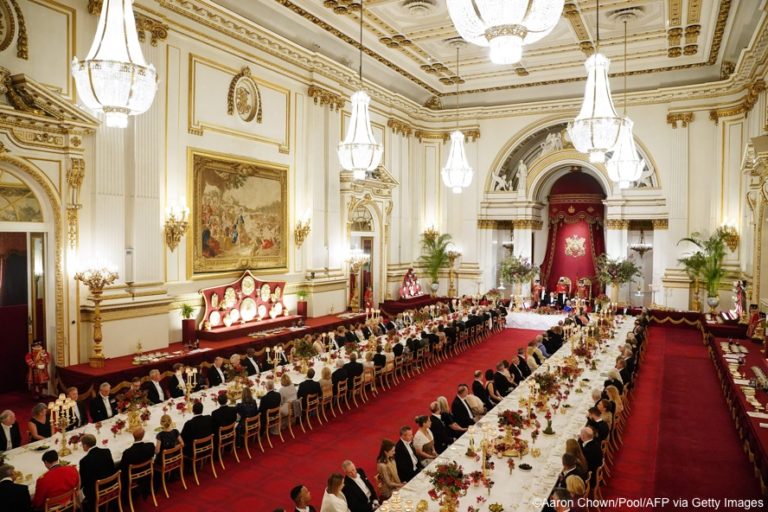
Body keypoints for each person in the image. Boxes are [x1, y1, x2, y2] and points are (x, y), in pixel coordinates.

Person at [79, 433, 116, 511]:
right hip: (111, 484)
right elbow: (112, 468)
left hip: (95, 491)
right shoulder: (106, 451)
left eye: (82, 445)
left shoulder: (84, 461)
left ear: (85, 445)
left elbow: (83, 482)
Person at [119, 427, 155, 500]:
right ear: (143, 435)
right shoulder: (150, 446)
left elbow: (122, 468)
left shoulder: (127, 453)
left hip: (132, 475)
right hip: (147, 471)